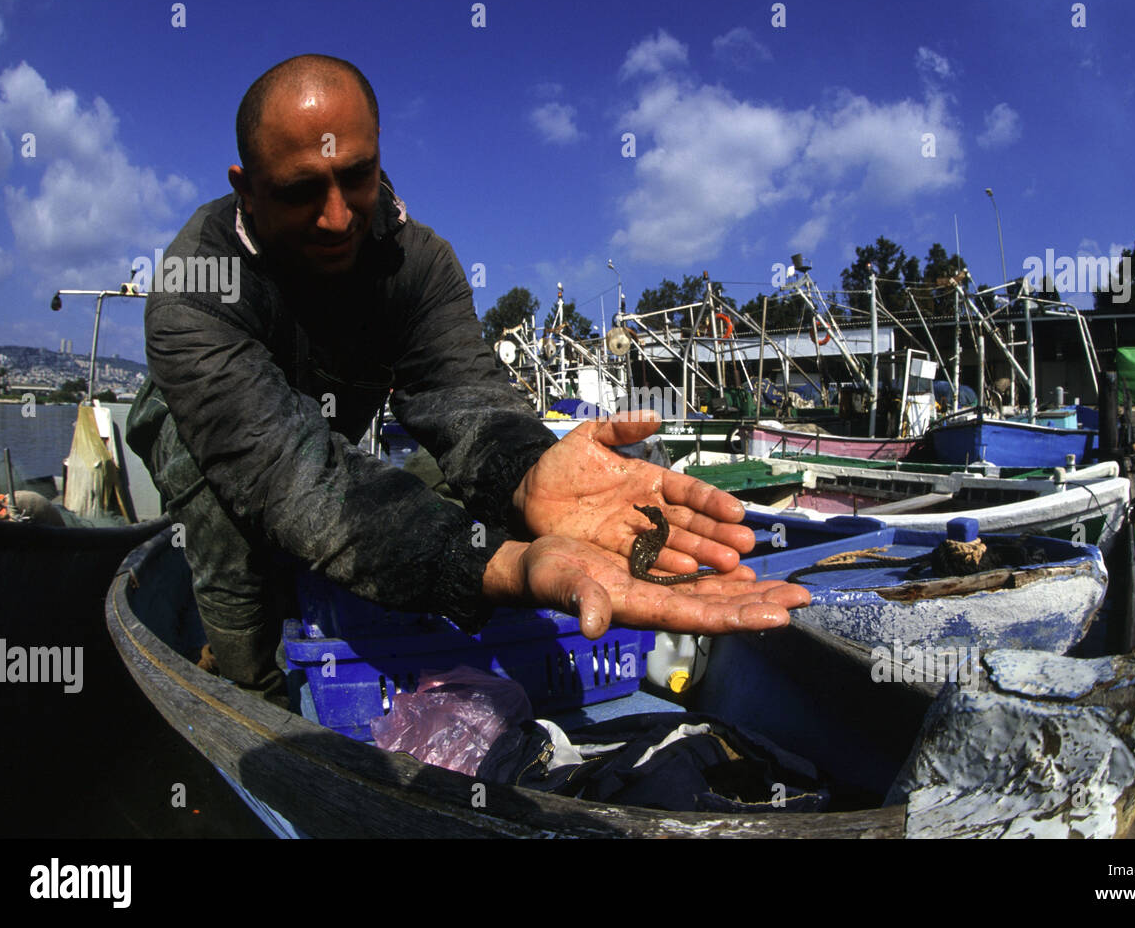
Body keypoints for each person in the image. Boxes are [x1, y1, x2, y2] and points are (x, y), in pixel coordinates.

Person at [125, 54, 808, 707]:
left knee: (442, 487)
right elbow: (288, 475)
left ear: (379, 159)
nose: (336, 218)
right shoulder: (196, 284)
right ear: (245, 187)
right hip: (219, 440)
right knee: (229, 520)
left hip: (326, 440)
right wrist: (476, 565)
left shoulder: (418, 265)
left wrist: (531, 470)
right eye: (301, 191)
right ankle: (251, 691)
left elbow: (465, 402)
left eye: (357, 177)